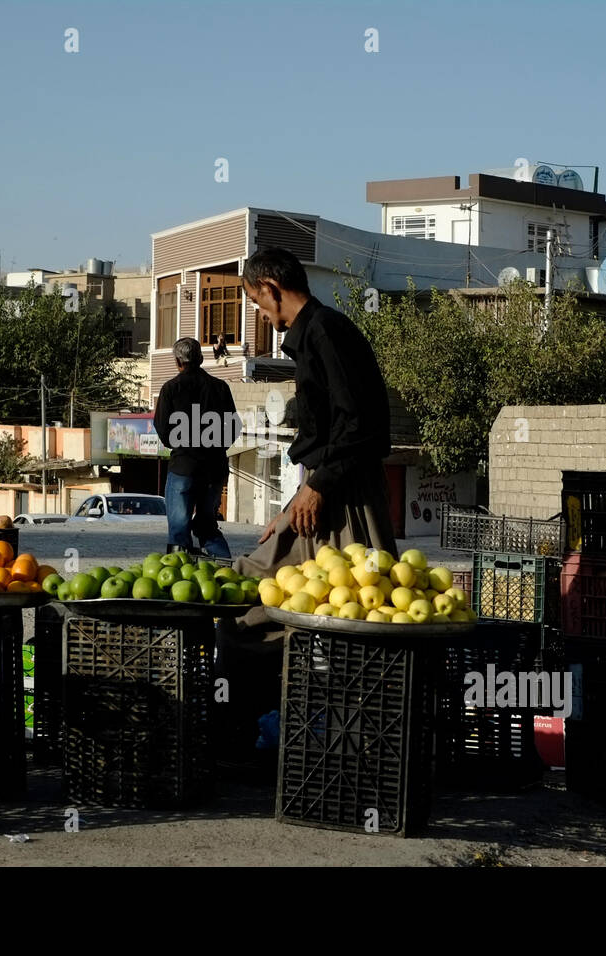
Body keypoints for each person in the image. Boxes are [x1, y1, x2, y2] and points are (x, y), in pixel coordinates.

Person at [215, 247, 399, 765]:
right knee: (243, 610)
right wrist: (297, 499)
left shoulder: (327, 333)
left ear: (271, 287)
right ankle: (254, 737)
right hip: (318, 491)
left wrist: (319, 487)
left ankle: (364, 755)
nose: (258, 311)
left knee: (363, 625)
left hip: (346, 498)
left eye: (255, 300)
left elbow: (362, 426)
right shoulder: (312, 336)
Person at [153, 337, 237, 559]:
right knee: (207, 526)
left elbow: (162, 429)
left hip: (183, 468)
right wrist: (216, 447)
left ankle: (182, 579)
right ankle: (224, 570)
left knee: (178, 531)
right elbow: (233, 427)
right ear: (200, 358)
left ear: (178, 362)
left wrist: (183, 445)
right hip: (215, 470)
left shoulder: (171, 389)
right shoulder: (221, 388)